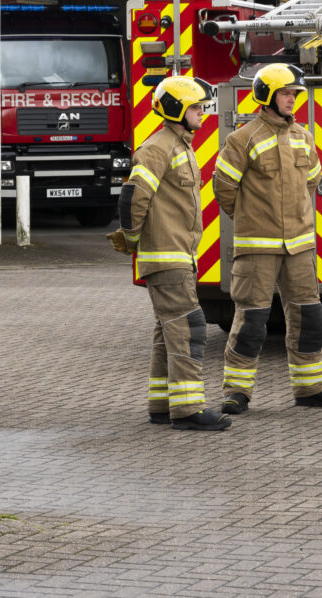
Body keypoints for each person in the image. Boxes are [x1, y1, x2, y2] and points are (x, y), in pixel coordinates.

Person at [213, 62, 322, 415]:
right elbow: (224, 189)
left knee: (310, 318)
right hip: (257, 246)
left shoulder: (304, 137)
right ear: (267, 95)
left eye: (295, 94)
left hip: (300, 246)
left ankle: (310, 388)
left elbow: (313, 182)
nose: (292, 100)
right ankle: (237, 391)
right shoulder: (242, 139)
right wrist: (252, 219)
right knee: (252, 321)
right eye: (287, 94)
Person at [109, 75, 230, 431]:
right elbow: (133, 197)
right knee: (189, 329)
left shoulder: (181, 146)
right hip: (166, 257)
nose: (202, 113)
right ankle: (189, 410)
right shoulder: (158, 147)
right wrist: (131, 237)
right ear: (176, 108)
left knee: (168, 332)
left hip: (177, 256)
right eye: (196, 107)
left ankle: (162, 406)